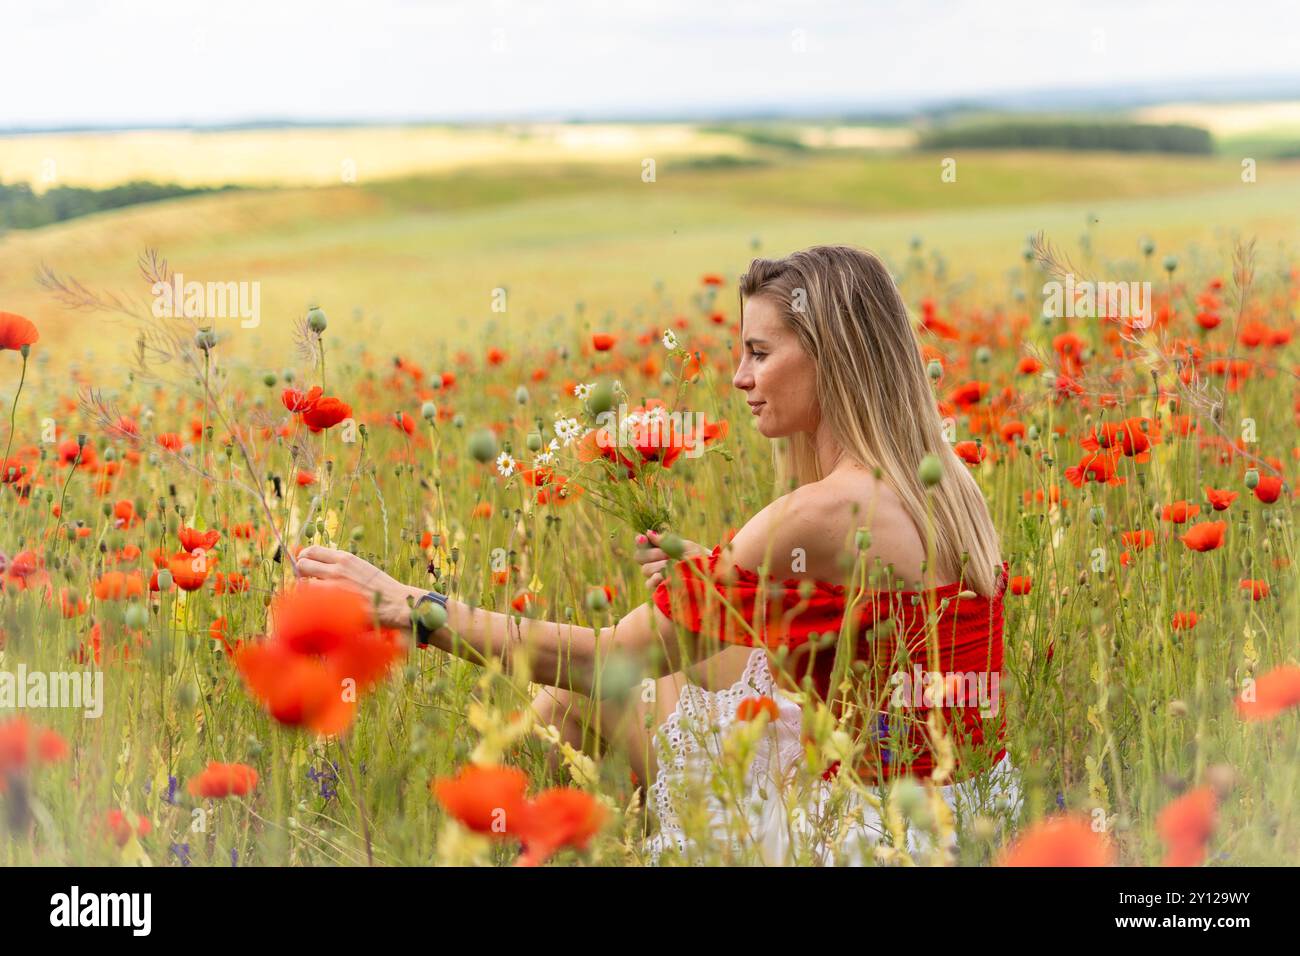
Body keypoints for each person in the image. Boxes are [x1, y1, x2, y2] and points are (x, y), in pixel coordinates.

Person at [296, 244, 1020, 864]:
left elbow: (610, 658)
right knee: (643, 692)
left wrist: (415, 609)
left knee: (570, 697)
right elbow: (875, 646)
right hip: (971, 809)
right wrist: (721, 585)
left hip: (872, 836)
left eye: (760, 354)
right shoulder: (943, 478)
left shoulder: (819, 513)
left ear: (834, 356)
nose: (739, 377)